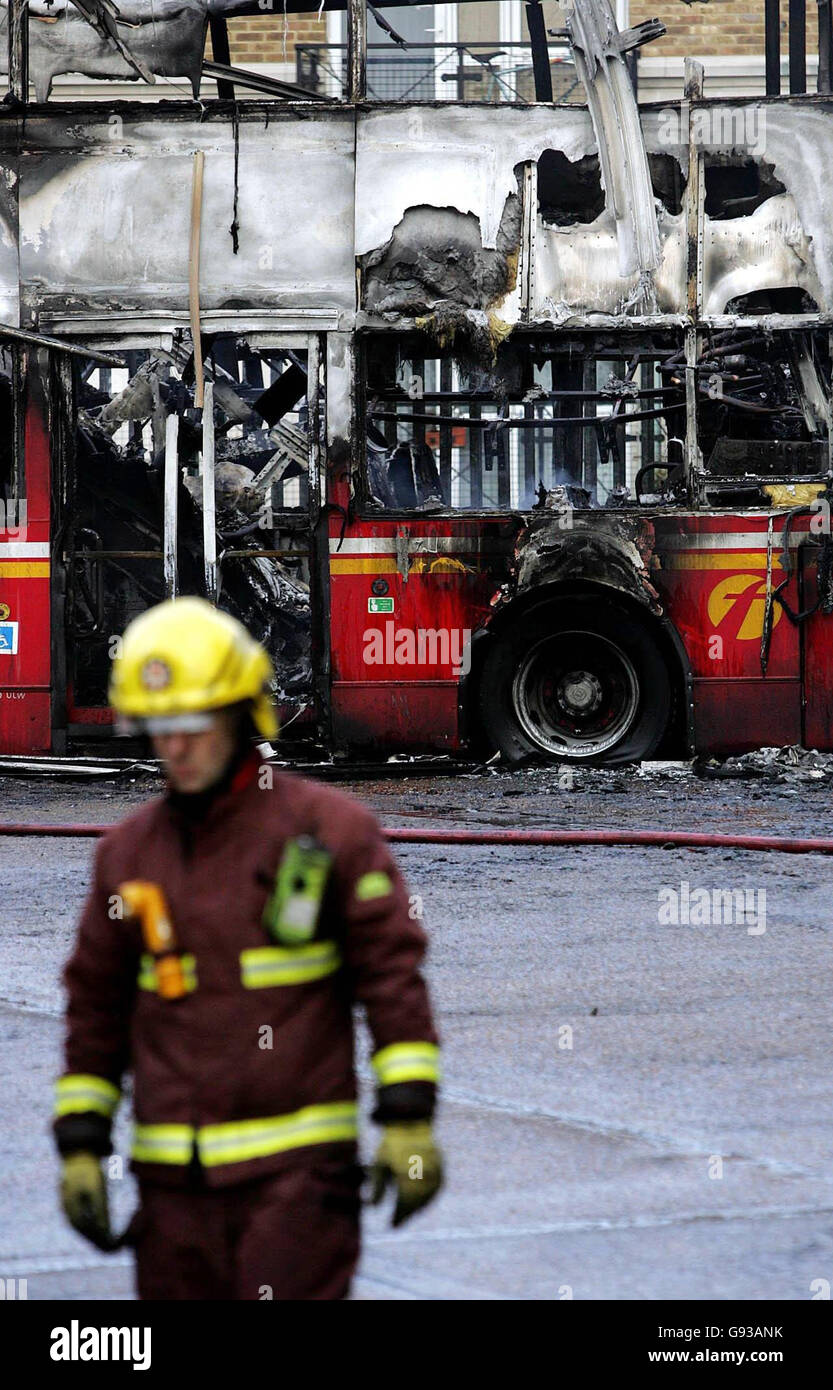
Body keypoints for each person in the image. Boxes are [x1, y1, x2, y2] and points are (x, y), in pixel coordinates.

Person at [53, 597, 442, 1300]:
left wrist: (408, 1119)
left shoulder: (327, 833)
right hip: (170, 1194)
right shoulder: (127, 856)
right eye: (162, 727)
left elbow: (391, 981)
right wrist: (81, 1144)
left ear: (242, 714)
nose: (176, 746)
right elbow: (95, 1005)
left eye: (195, 725)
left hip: (297, 1185)